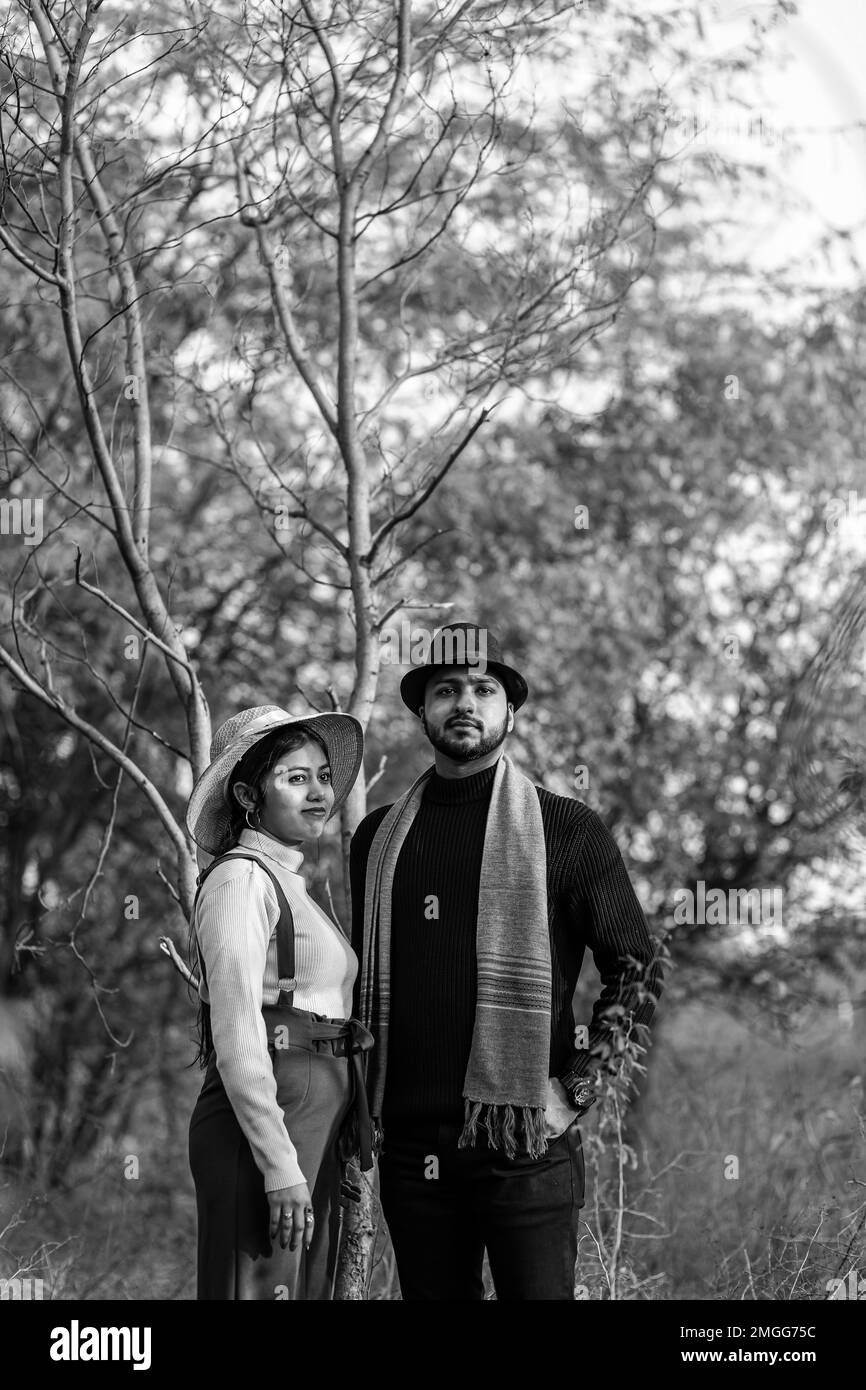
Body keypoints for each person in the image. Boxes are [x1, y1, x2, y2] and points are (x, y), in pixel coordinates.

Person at [350, 623, 663, 1301]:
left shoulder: (568, 830)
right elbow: (361, 976)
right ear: (422, 711)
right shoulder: (377, 839)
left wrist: (575, 1090)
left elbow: (637, 966)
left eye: (483, 689)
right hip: (412, 1150)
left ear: (509, 713)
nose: (464, 703)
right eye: (446, 690)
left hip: (526, 1140)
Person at [186, 704, 373, 1300]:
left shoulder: (292, 882)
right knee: (255, 1288)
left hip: (311, 1115)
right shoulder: (241, 880)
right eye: (296, 778)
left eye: (322, 776)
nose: (318, 792)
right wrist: (278, 1163)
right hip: (270, 1123)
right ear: (247, 794)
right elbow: (237, 1027)